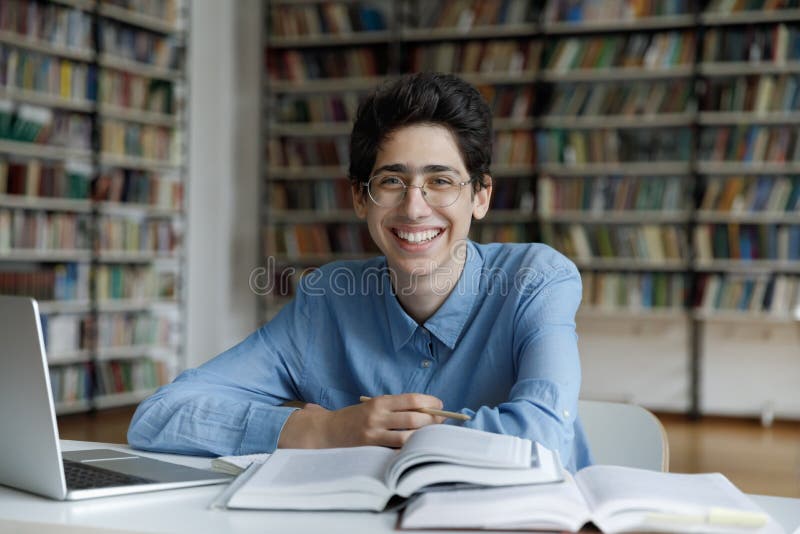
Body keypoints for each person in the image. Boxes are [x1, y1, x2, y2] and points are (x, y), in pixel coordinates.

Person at [127, 72, 592, 472]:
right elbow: (159, 415)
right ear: (359, 198)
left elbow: (543, 438)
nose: (414, 207)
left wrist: (402, 434)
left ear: (481, 197)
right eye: (391, 181)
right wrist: (322, 429)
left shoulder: (537, 278)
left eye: (441, 181)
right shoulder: (326, 302)